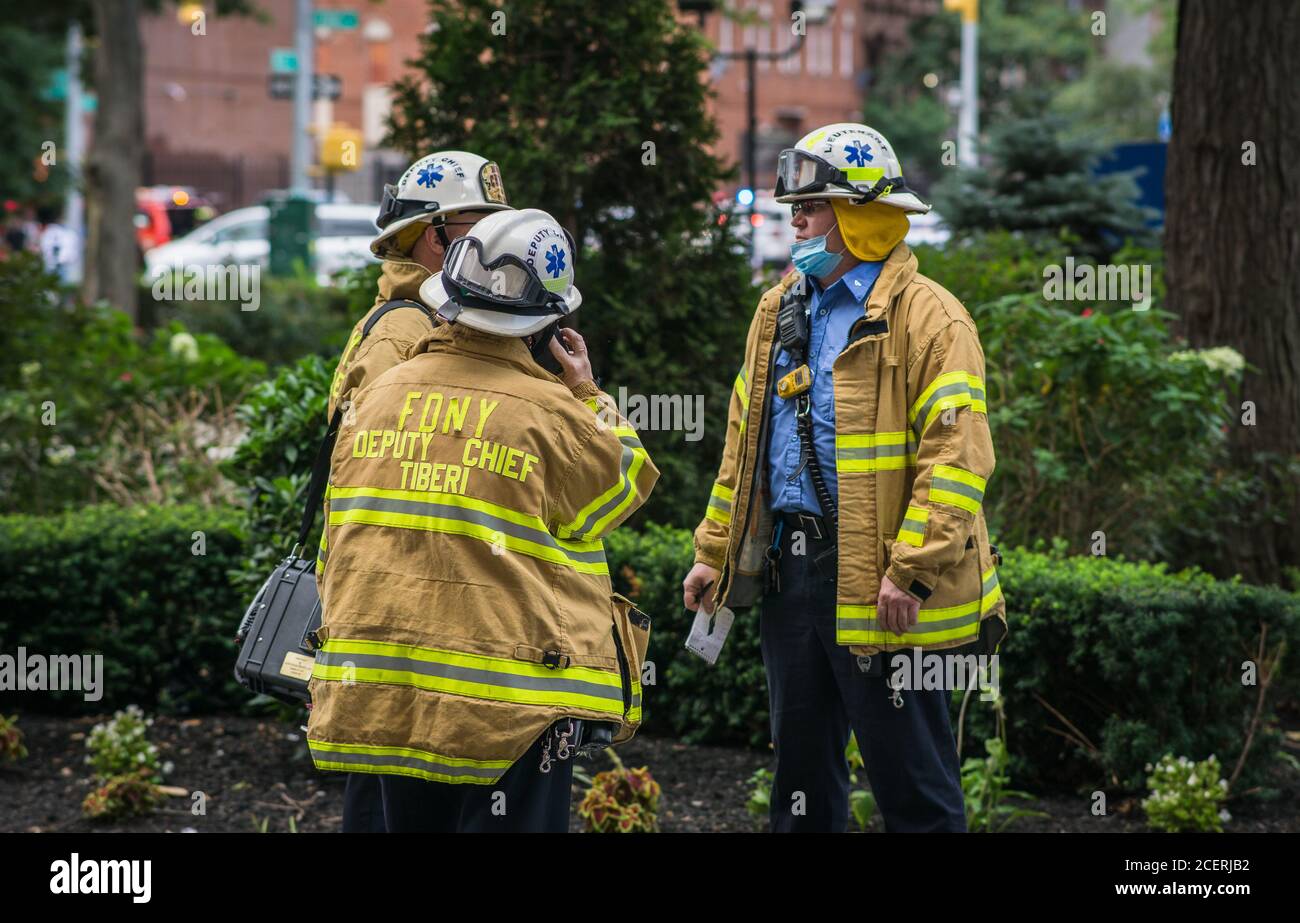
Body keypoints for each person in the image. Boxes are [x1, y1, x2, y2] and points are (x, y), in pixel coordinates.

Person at [682, 122, 1007, 832]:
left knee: (913, 786)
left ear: (858, 214)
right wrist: (713, 551)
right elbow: (744, 444)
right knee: (801, 786)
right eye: (791, 206)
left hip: (885, 583)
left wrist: (910, 569)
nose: (793, 218)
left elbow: (957, 458)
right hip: (790, 576)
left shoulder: (934, 319)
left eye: (811, 205)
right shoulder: (779, 308)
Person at [307, 208, 659, 832]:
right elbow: (621, 486)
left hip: (388, 694)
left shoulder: (381, 396)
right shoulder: (549, 413)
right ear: (549, 322)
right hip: (510, 707)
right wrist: (588, 391)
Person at [324, 150, 510, 831]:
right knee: (386, 799)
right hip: (393, 614)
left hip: (416, 613)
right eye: (480, 229)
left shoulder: (431, 321)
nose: (495, 246)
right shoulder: (404, 334)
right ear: (437, 238)